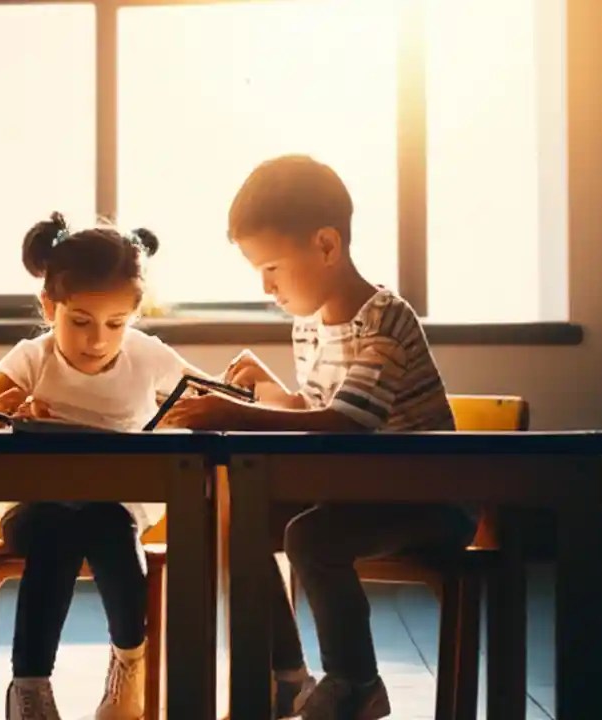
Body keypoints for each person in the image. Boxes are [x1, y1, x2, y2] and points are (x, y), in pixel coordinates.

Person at [162, 155, 475, 720]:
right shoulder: (308, 325)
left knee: (310, 536)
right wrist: (265, 389)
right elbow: (315, 412)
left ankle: (356, 683)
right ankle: (287, 674)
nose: (266, 287)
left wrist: (235, 414)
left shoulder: (386, 320)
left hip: (431, 499)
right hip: (360, 493)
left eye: (272, 268)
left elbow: (347, 422)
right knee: (244, 522)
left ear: (327, 245)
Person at [0, 212, 207, 720]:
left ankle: (129, 663)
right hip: (34, 511)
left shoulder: (146, 356)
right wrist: (5, 412)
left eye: (116, 324)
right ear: (50, 307)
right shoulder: (33, 358)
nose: (98, 340)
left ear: (134, 315)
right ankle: (30, 688)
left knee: (106, 522)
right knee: (56, 529)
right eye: (80, 321)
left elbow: (212, 398)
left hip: (120, 513)